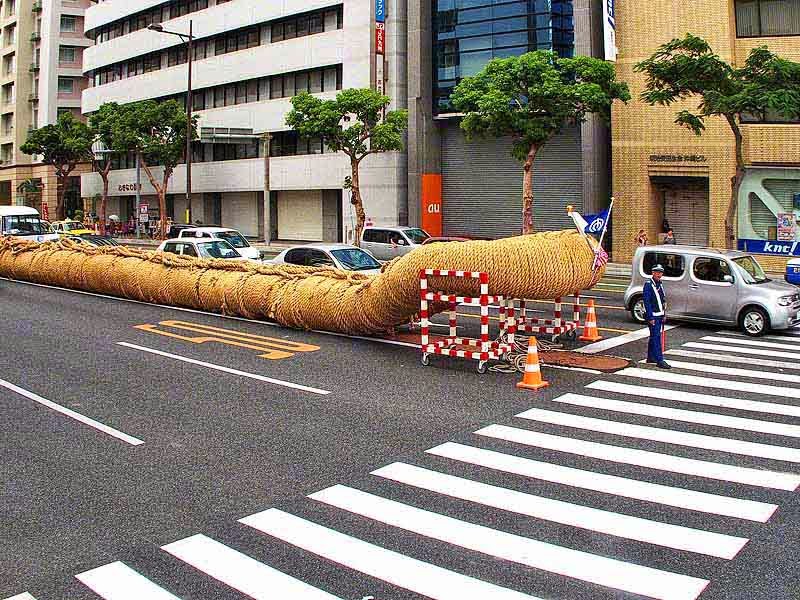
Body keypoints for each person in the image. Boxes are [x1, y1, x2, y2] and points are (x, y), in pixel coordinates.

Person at [643, 264, 670, 369]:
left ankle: (650, 357)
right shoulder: (648, 285)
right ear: (653, 273)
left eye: (661, 272)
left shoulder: (659, 284)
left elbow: (663, 300)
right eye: (657, 272)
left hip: (659, 315)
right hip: (653, 316)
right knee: (656, 338)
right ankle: (660, 360)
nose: (659, 274)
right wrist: (650, 317)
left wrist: (664, 314)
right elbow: (647, 302)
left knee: (654, 336)